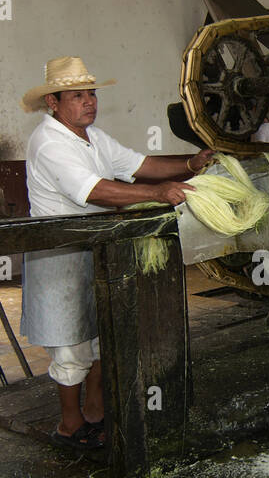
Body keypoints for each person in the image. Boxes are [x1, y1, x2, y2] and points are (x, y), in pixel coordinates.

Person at [20, 56, 214, 451]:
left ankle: (95, 413)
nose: (89, 101)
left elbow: (140, 164)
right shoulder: (49, 143)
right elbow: (95, 191)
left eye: (91, 94)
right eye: (77, 95)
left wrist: (190, 164)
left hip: (95, 248)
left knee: (99, 337)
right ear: (53, 103)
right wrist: (157, 193)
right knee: (70, 344)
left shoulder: (93, 137)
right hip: (62, 253)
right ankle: (70, 425)